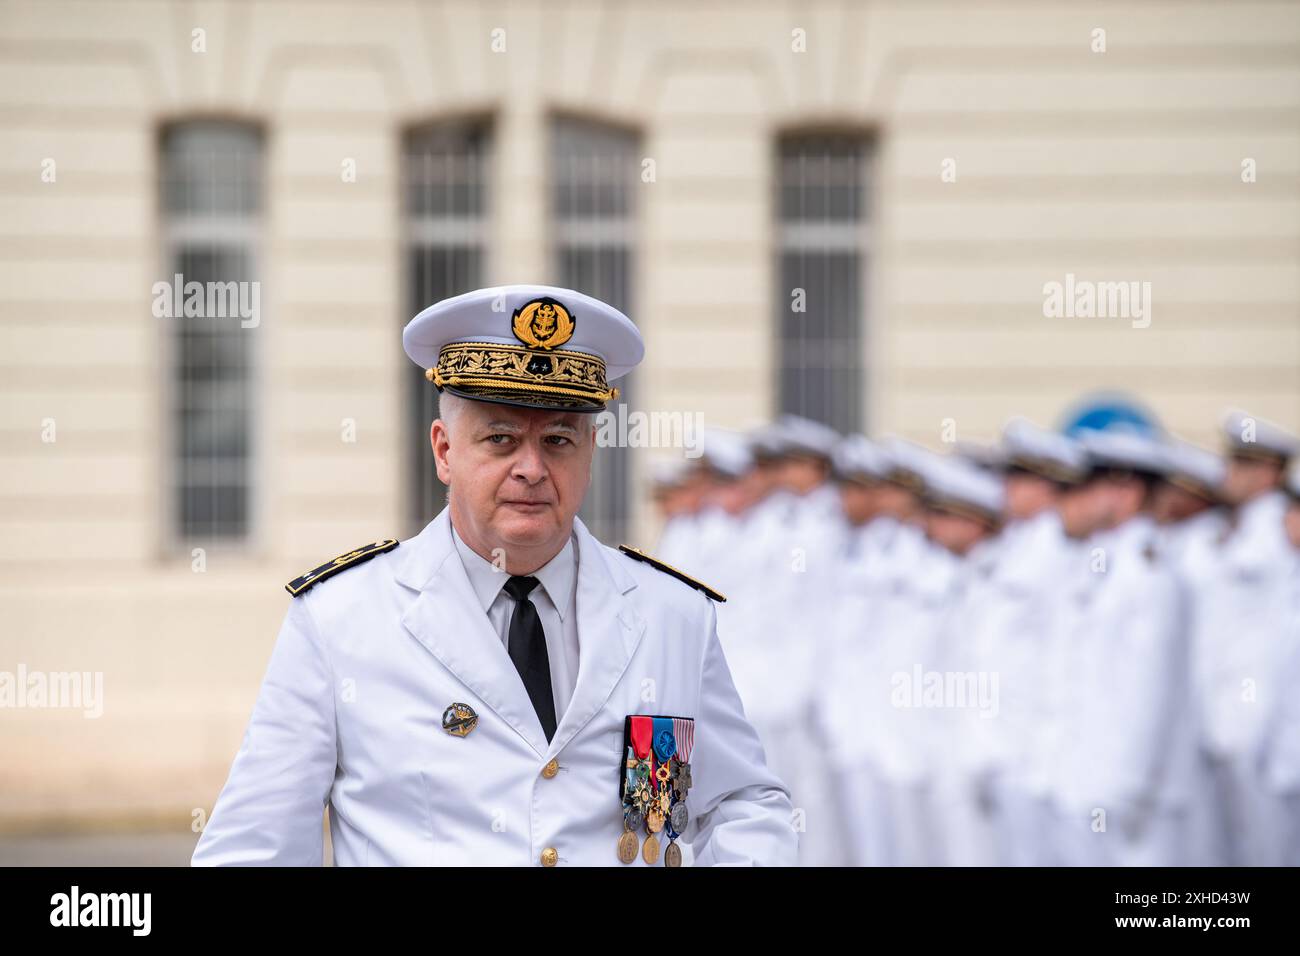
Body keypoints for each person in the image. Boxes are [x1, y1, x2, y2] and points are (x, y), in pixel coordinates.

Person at [192, 285, 797, 867]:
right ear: (444, 451)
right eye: (501, 439)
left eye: (559, 440)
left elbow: (741, 803)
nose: (531, 469)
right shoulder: (341, 620)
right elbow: (254, 847)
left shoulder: (673, 615)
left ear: (590, 453)